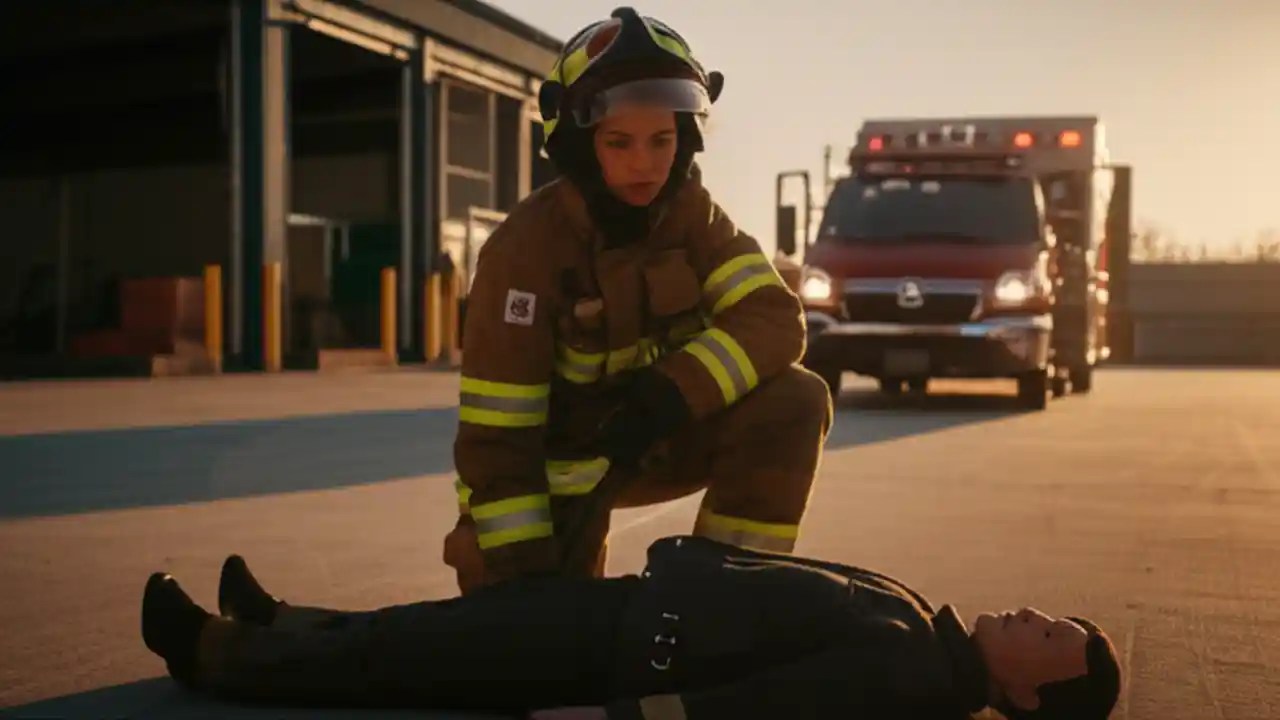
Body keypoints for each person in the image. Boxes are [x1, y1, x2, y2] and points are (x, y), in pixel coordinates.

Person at [444, 6, 833, 594]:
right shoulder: (522, 252)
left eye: (662, 140)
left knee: (796, 399)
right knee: (528, 622)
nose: (645, 163)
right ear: (580, 144)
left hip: (656, 441)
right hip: (554, 477)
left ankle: (728, 598)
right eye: (619, 142)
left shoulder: (693, 218)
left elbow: (774, 318)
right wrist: (523, 581)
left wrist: (673, 392)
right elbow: (499, 438)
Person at [141, 535, 1122, 719]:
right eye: (1047, 616)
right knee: (435, 628)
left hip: (607, 654)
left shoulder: (913, 676)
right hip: (623, 614)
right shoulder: (928, 636)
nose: (1033, 616)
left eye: (1043, 637)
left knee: (404, 664)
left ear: (1023, 694)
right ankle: (281, 621)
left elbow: (759, 709)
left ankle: (212, 654)